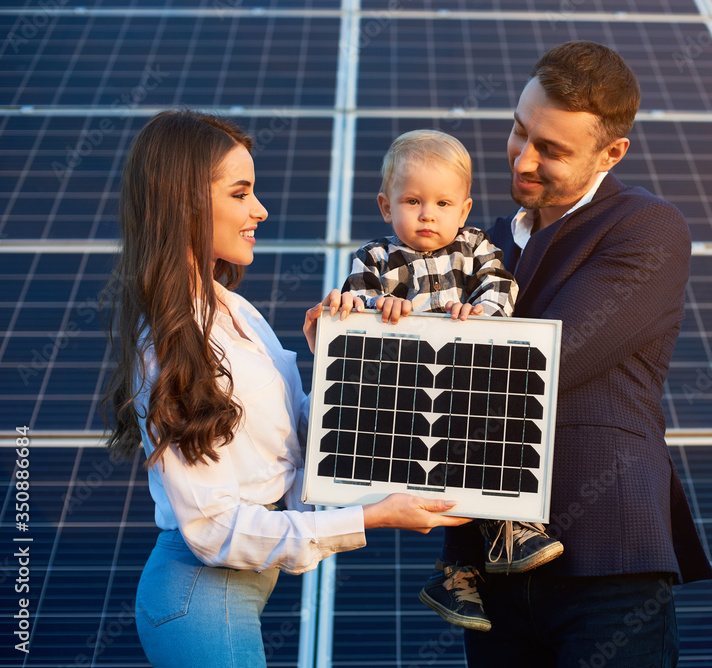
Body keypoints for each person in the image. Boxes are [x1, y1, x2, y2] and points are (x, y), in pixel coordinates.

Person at [102, 110, 469, 668]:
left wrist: (343, 356)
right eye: (240, 193)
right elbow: (213, 530)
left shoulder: (235, 311)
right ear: (184, 202)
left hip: (233, 593)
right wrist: (374, 515)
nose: (261, 210)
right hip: (200, 595)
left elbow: (295, 444)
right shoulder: (168, 344)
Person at [446, 41, 712, 667]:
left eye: (552, 150)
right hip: (491, 570)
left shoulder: (645, 226)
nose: (524, 159)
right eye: (520, 130)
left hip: (606, 559)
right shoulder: (483, 243)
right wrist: (359, 325)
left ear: (612, 153)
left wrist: (417, 353)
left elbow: (549, 359)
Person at [337, 129, 564, 632]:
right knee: (433, 469)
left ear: (463, 211)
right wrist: (378, 307)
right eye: (412, 201)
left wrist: (480, 312)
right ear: (385, 206)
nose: (427, 215)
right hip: (408, 391)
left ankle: (501, 535)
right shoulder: (375, 259)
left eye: (442, 204)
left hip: (468, 382)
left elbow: (500, 285)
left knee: (491, 447)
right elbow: (352, 311)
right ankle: (457, 570)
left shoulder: (475, 247)